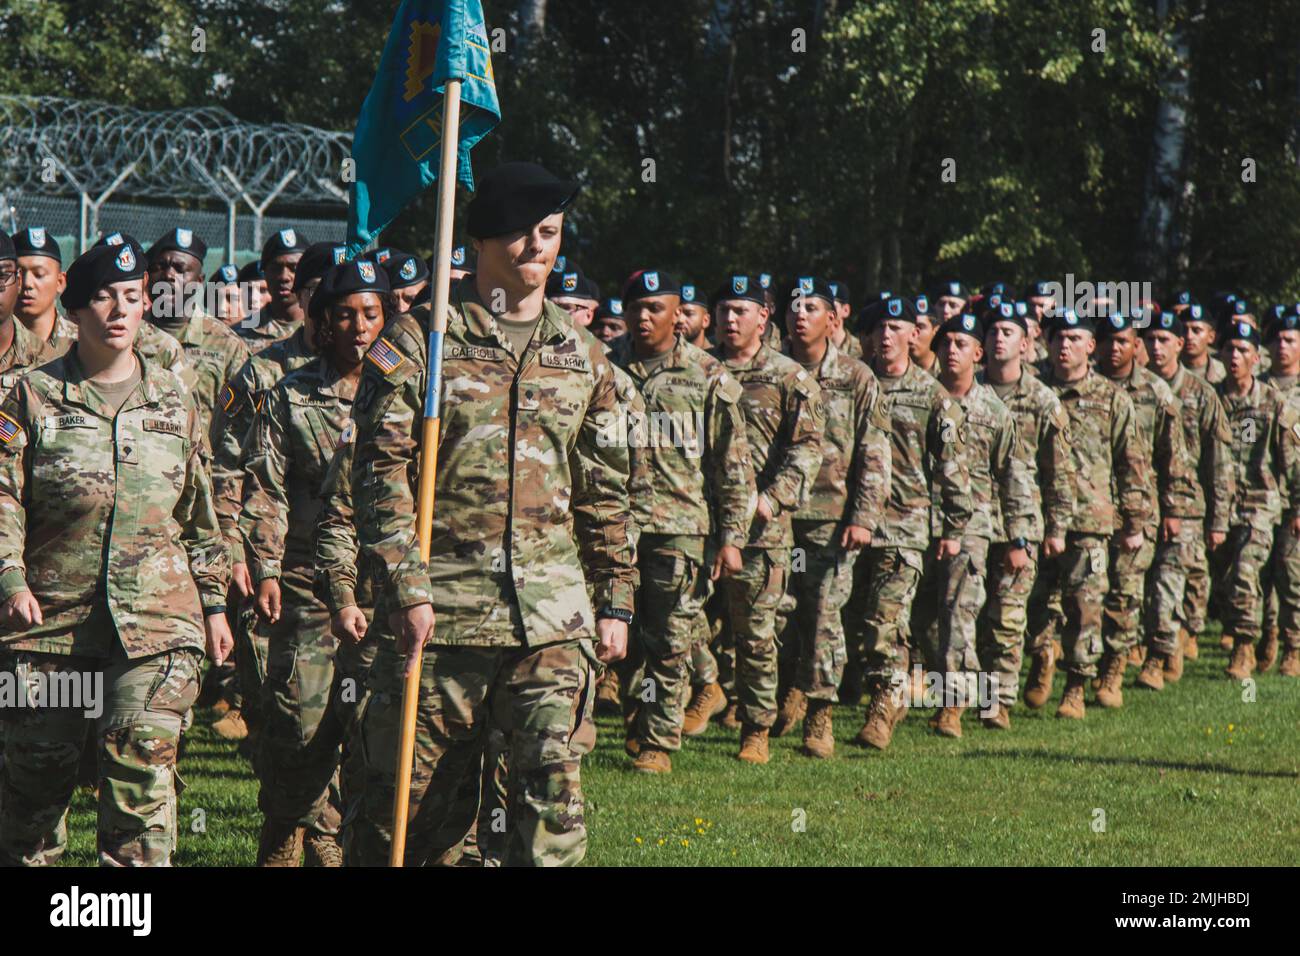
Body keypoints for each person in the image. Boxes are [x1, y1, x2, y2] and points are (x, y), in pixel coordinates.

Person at [347, 161, 636, 867]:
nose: (537, 248)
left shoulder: (584, 355)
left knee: (549, 813)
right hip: (441, 616)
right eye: (520, 234)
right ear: (479, 241)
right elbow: (379, 473)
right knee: (411, 822)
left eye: (550, 232)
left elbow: (605, 489)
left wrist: (616, 601)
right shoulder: (422, 341)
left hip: (551, 621)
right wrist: (405, 587)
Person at [0, 241, 232, 866]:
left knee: (140, 785)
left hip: (155, 626)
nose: (119, 310)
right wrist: (9, 578)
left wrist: (214, 606)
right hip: (49, 626)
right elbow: (2, 496)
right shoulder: (27, 397)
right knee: (33, 804)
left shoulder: (173, 401)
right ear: (77, 308)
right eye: (103, 296)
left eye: (132, 297)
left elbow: (198, 512)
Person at [238, 259, 386, 866]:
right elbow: (265, 486)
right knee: (302, 722)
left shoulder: (413, 395)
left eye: (371, 314)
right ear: (322, 323)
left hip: (384, 582)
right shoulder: (293, 393)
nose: (359, 327)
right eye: (345, 315)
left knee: (371, 728)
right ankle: (284, 835)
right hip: (305, 580)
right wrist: (266, 568)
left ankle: (333, 840)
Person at [606, 269, 755, 774]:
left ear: (679, 315)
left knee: (671, 639)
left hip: (681, 527)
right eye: (635, 308)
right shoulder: (605, 369)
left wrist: (732, 538)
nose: (643, 317)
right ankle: (635, 718)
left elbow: (731, 464)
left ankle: (660, 741)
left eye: (655, 308)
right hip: (615, 525)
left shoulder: (707, 375)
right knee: (621, 634)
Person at [208, 241, 342, 740]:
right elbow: (226, 467)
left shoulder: (381, 374)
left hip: (354, 571)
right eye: (323, 292)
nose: (338, 307)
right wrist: (233, 551)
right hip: (278, 565)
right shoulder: (263, 372)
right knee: (285, 713)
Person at [708, 274, 824, 764]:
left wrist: (772, 499)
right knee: (682, 625)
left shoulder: (788, 377)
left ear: (763, 317)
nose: (730, 319)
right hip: (697, 522)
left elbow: (807, 449)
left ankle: (755, 727)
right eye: (724, 311)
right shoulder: (700, 370)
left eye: (741, 311)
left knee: (756, 635)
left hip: (761, 531)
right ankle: (662, 723)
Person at [849, 295, 970, 749]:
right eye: (879, 328)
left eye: (896, 328)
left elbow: (952, 467)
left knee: (887, 621)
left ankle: (884, 707)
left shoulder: (932, 396)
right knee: (849, 621)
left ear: (915, 336)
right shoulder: (853, 382)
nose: (886, 336)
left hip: (903, 525)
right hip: (849, 523)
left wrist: (953, 529)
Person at [775, 276, 889, 756]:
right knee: (778, 613)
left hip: (831, 520)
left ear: (833, 318)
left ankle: (819, 715)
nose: (801, 314)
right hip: (775, 517)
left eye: (812, 307)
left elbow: (874, 453)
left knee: (824, 615)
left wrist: (863, 516)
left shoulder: (857, 377)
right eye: (794, 306)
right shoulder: (769, 372)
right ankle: (781, 694)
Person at [917, 310, 1034, 736]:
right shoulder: (921, 398)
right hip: (916, 521)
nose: (951, 350)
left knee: (959, 613)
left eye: (961, 344)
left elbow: (1014, 476)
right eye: (945, 343)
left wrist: (1018, 537)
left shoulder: (993, 411)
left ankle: (955, 702)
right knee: (920, 619)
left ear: (978, 353)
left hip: (973, 528)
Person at [1029, 310, 1150, 718]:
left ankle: (1077, 685)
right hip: (1034, 517)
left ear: (1089, 346)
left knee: (1086, 605)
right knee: (1035, 601)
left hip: (1089, 522)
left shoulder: (1112, 399)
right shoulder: (1032, 390)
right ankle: (1042, 657)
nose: (1065, 345)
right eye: (1058, 337)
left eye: (1074, 338)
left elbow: (1131, 464)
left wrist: (1133, 522)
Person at [978, 301, 1075, 716]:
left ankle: (997, 702)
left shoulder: (1043, 400)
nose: (1000, 337)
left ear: (1026, 342)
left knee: (1008, 617)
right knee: (972, 616)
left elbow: (1059, 471)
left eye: (1008, 331)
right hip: (971, 522)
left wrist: (1057, 527)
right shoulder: (967, 391)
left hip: (1021, 524)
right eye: (993, 331)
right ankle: (966, 696)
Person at [1092, 311, 1193, 707]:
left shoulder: (1155, 392)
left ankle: (1114, 670)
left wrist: (1173, 511)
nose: (1115, 348)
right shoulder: (1085, 387)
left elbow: (1174, 458)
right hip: (1091, 508)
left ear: (1136, 345)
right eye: (1108, 340)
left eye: (1123, 340)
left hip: (1140, 509)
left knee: (1125, 591)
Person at [1140, 311, 1233, 685]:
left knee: (1167, 581)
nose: (1156, 346)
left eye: (1164, 339)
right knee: (1142, 586)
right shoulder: (1138, 390)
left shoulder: (1202, 394)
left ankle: (1158, 657)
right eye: (1151, 339)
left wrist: (1219, 519)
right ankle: (1160, 644)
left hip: (1187, 508)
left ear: (1180, 345)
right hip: (1141, 504)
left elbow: (1218, 462)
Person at [1215, 320, 1300, 680]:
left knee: (1264, 572)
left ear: (1255, 357)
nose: (1235, 356)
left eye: (1243, 350)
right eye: (1229, 349)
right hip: (1217, 507)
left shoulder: (1272, 402)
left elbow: (1293, 459)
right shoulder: (1210, 398)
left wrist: (1298, 505)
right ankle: (1263, 637)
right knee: (1233, 579)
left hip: (1261, 503)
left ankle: (1250, 648)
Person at [146, 228, 252, 451]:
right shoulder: (126, 337)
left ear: (199, 281)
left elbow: (240, 428)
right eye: (160, 267)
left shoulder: (226, 345)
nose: (168, 275)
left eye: (180, 269)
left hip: (202, 476)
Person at [238, 229, 308, 354]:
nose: (284, 277)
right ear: (265, 274)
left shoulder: (322, 332)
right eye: (276, 268)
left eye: (294, 269)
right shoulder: (238, 336)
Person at [10, 227, 76, 354]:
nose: (27, 283)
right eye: (17, 273)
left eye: (39, 274)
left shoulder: (84, 345)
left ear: (60, 282)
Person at [675, 282, 711, 348]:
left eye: (689, 314)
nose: (680, 320)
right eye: (676, 313)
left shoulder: (717, 357)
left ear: (705, 321)